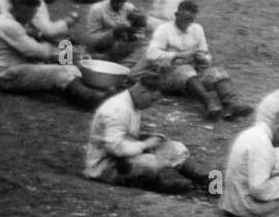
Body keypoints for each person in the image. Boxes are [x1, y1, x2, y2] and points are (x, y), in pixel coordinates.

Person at [84, 72, 213, 194]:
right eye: (152, 100)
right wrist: (145, 144)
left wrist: (146, 137)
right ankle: (160, 186)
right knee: (150, 162)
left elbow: (124, 135)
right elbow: (115, 147)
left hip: (121, 157)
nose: (151, 105)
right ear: (142, 90)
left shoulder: (132, 102)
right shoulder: (118, 109)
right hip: (105, 166)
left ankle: (210, 181)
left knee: (174, 148)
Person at [0, 0, 105, 108]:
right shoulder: (10, 26)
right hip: (9, 74)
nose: (30, 19)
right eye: (30, 15)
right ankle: (90, 100)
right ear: (22, 10)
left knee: (61, 64)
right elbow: (36, 51)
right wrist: (57, 53)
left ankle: (81, 92)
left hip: (6, 66)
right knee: (64, 71)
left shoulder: (3, 18)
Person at [141, 0, 253, 120]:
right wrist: (177, 55)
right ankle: (208, 102)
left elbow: (206, 55)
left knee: (217, 71)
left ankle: (231, 105)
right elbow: (151, 54)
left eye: (190, 20)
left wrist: (203, 59)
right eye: (184, 19)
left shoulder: (197, 29)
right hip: (169, 75)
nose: (187, 24)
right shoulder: (164, 29)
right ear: (176, 14)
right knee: (185, 70)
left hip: (194, 75)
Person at [82, 0, 146, 63]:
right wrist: (113, 33)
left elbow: (140, 34)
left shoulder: (129, 8)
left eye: (122, 1)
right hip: (100, 49)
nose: (119, 5)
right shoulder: (97, 9)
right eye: (116, 1)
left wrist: (139, 22)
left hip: (121, 48)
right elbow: (91, 40)